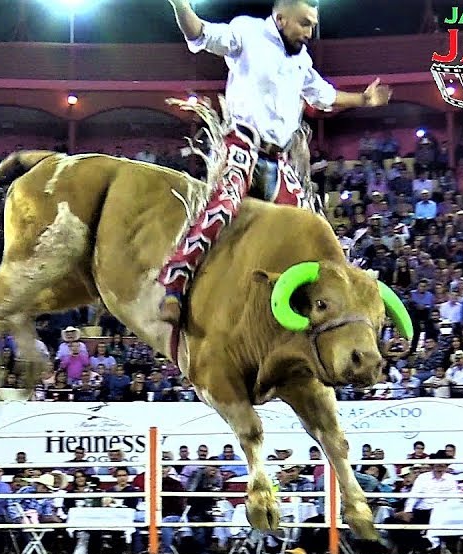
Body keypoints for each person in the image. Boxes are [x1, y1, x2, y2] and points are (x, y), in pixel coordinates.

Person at [157, 0, 393, 326]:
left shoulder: (302, 60)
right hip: (242, 145)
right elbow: (200, 33)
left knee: (311, 225)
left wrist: (363, 100)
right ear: (281, 19)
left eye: (313, 25)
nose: (310, 32)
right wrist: (181, 6)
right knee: (224, 204)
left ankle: (327, 304)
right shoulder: (247, 32)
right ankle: (175, 284)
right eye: (304, 23)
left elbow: (323, 95)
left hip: (278, 159)